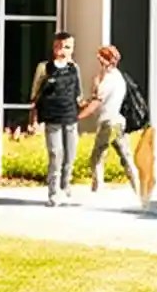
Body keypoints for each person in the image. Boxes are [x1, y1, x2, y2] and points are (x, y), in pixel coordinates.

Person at [28, 32, 85, 207]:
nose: (63, 50)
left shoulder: (75, 68)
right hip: (52, 118)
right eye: (59, 46)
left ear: (72, 49)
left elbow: (79, 94)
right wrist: (33, 120)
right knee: (55, 154)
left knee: (70, 155)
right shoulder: (44, 68)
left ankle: (65, 185)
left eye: (67, 47)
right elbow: (35, 96)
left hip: (70, 118)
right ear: (54, 48)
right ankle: (53, 193)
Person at [77, 45, 140, 198]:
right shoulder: (118, 77)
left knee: (97, 156)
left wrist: (78, 116)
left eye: (101, 58)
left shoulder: (110, 79)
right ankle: (138, 187)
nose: (99, 62)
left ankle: (98, 188)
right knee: (126, 156)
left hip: (108, 122)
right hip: (118, 121)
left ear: (108, 60)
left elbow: (97, 101)